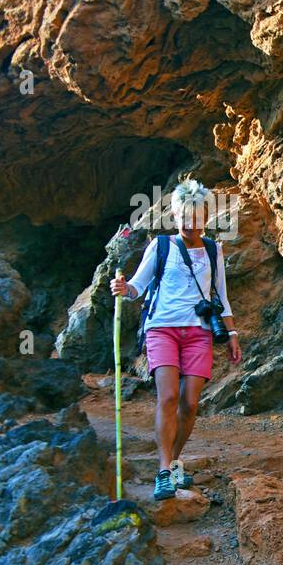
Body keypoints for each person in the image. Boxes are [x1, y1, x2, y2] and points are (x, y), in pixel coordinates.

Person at [110, 179, 243, 500]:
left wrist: (232, 335)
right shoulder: (162, 246)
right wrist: (123, 288)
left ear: (205, 217)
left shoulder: (214, 249)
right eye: (184, 215)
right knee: (168, 397)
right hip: (163, 329)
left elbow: (221, 296)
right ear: (176, 214)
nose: (189, 222)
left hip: (198, 332)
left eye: (196, 216)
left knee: (191, 402)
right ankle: (164, 470)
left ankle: (177, 460)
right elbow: (138, 287)